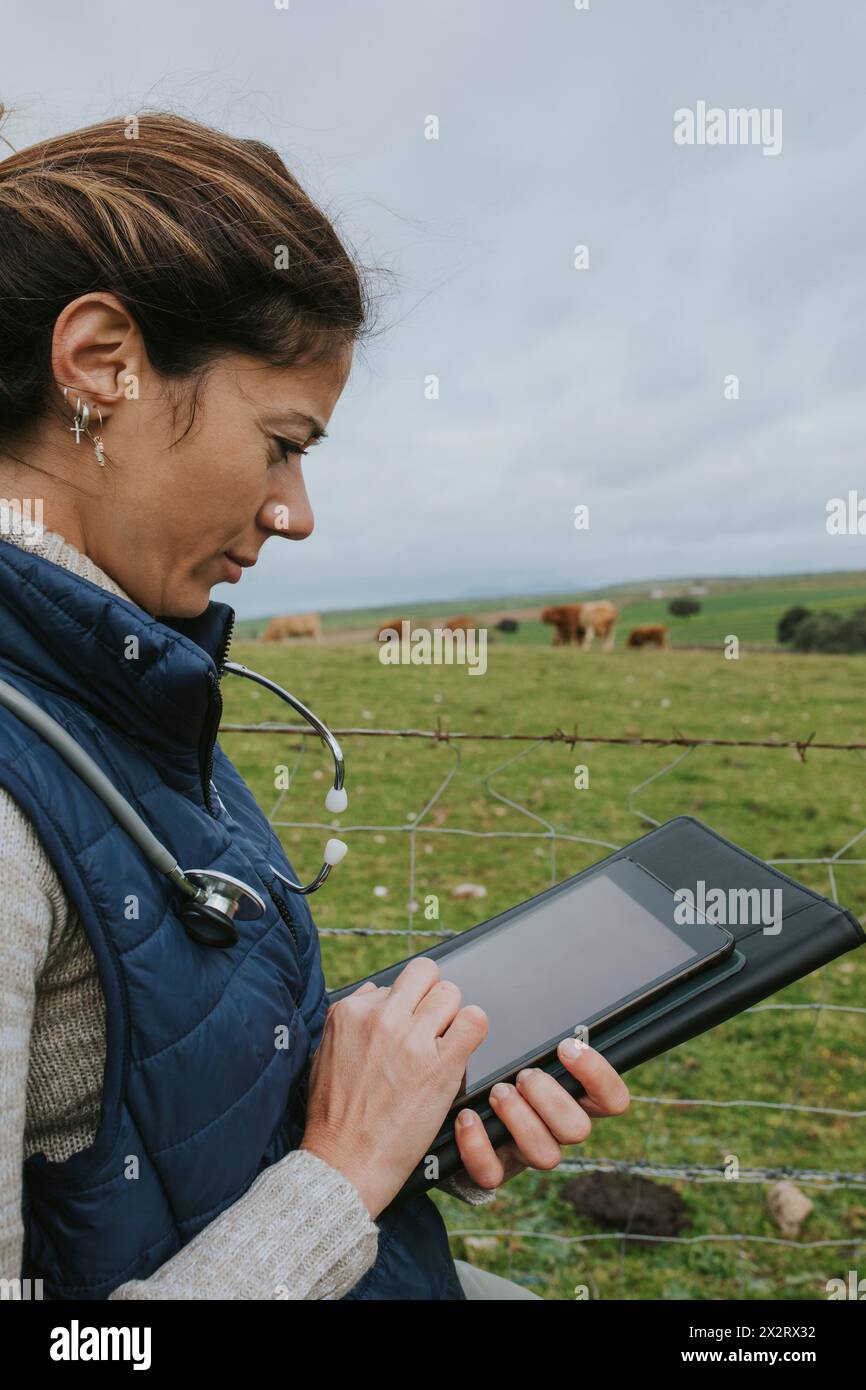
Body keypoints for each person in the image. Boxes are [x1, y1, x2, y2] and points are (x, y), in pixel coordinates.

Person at [0, 109, 630, 1301]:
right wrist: (342, 1175)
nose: (296, 513)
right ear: (98, 364)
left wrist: (391, 1082)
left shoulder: (123, 677)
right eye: (282, 442)